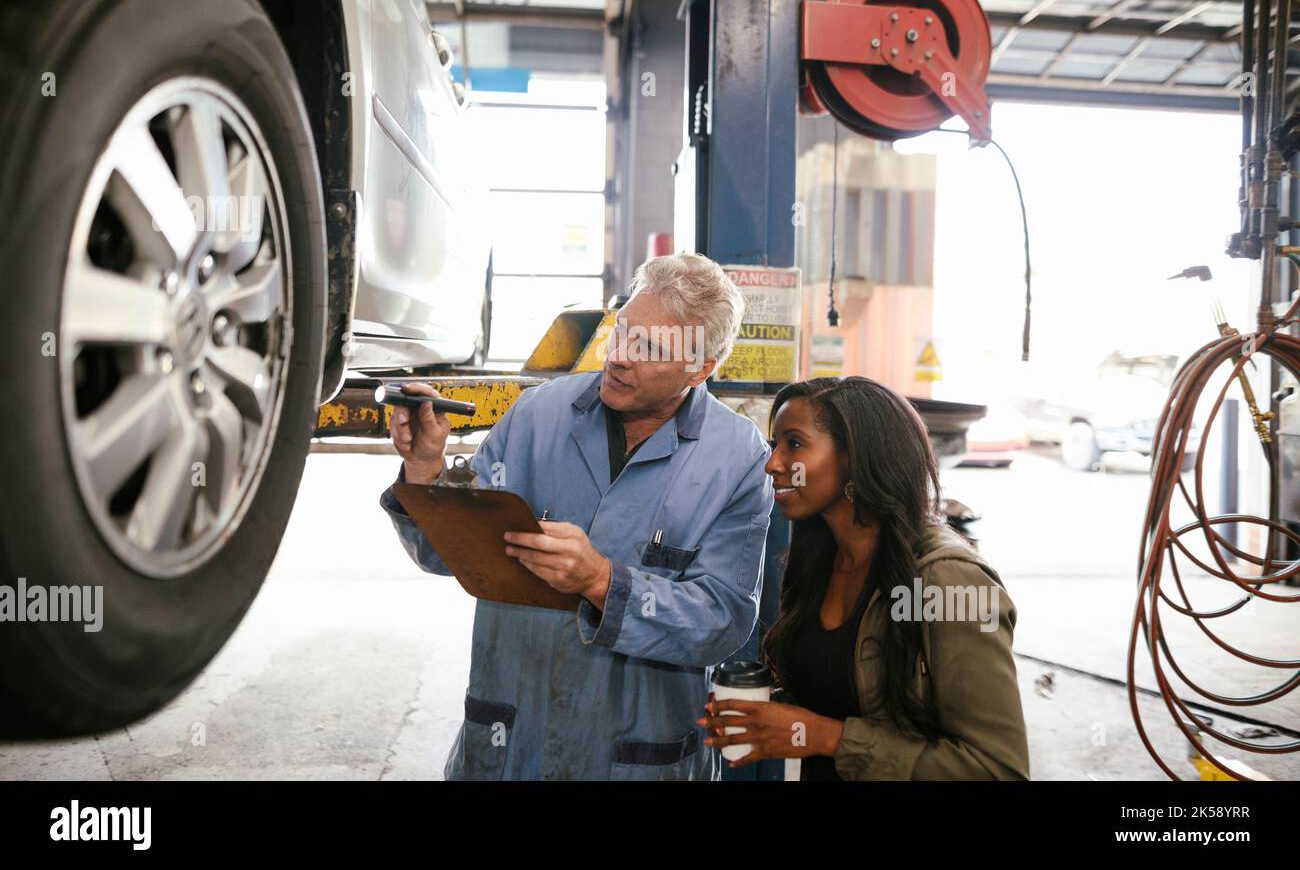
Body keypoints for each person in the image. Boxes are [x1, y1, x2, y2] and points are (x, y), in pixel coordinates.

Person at [379, 253, 774, 780]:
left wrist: (604, 583)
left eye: (649, 348)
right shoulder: (539, 415)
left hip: (635, 756)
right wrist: (425, 468)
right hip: (512, 740)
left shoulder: (737, 459)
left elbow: (722, 623)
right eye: (622, 332)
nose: (619, 357)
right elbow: (446, 552)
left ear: (699, 368)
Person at [698, 376, 1029, 780]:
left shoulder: (948, 582)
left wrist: (827, 738)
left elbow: (998, 770)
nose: (773, 463)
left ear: (854, 457)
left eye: (794, 444)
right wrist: (764, 716)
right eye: (775, 443)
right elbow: (839, 694)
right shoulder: (821, 559)